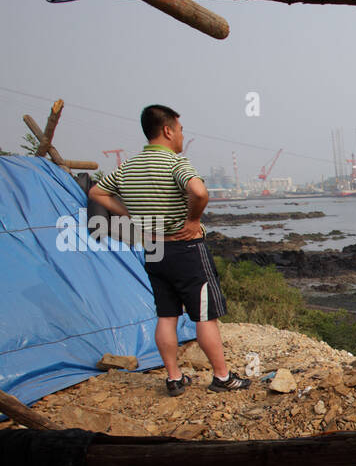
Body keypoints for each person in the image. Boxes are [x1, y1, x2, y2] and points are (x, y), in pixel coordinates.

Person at [89, 104, 250, 396]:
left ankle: (174, 378)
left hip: (153, 249)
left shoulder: (128, 167)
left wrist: (130, 216)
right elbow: (199, 192)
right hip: (186, 249)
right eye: (180, 130)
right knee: (205, 315)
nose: (180, 136)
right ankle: (222, 377)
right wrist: (193, 220)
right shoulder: (175, 163)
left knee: (166, 315)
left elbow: (97, 192)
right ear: (167, 130)